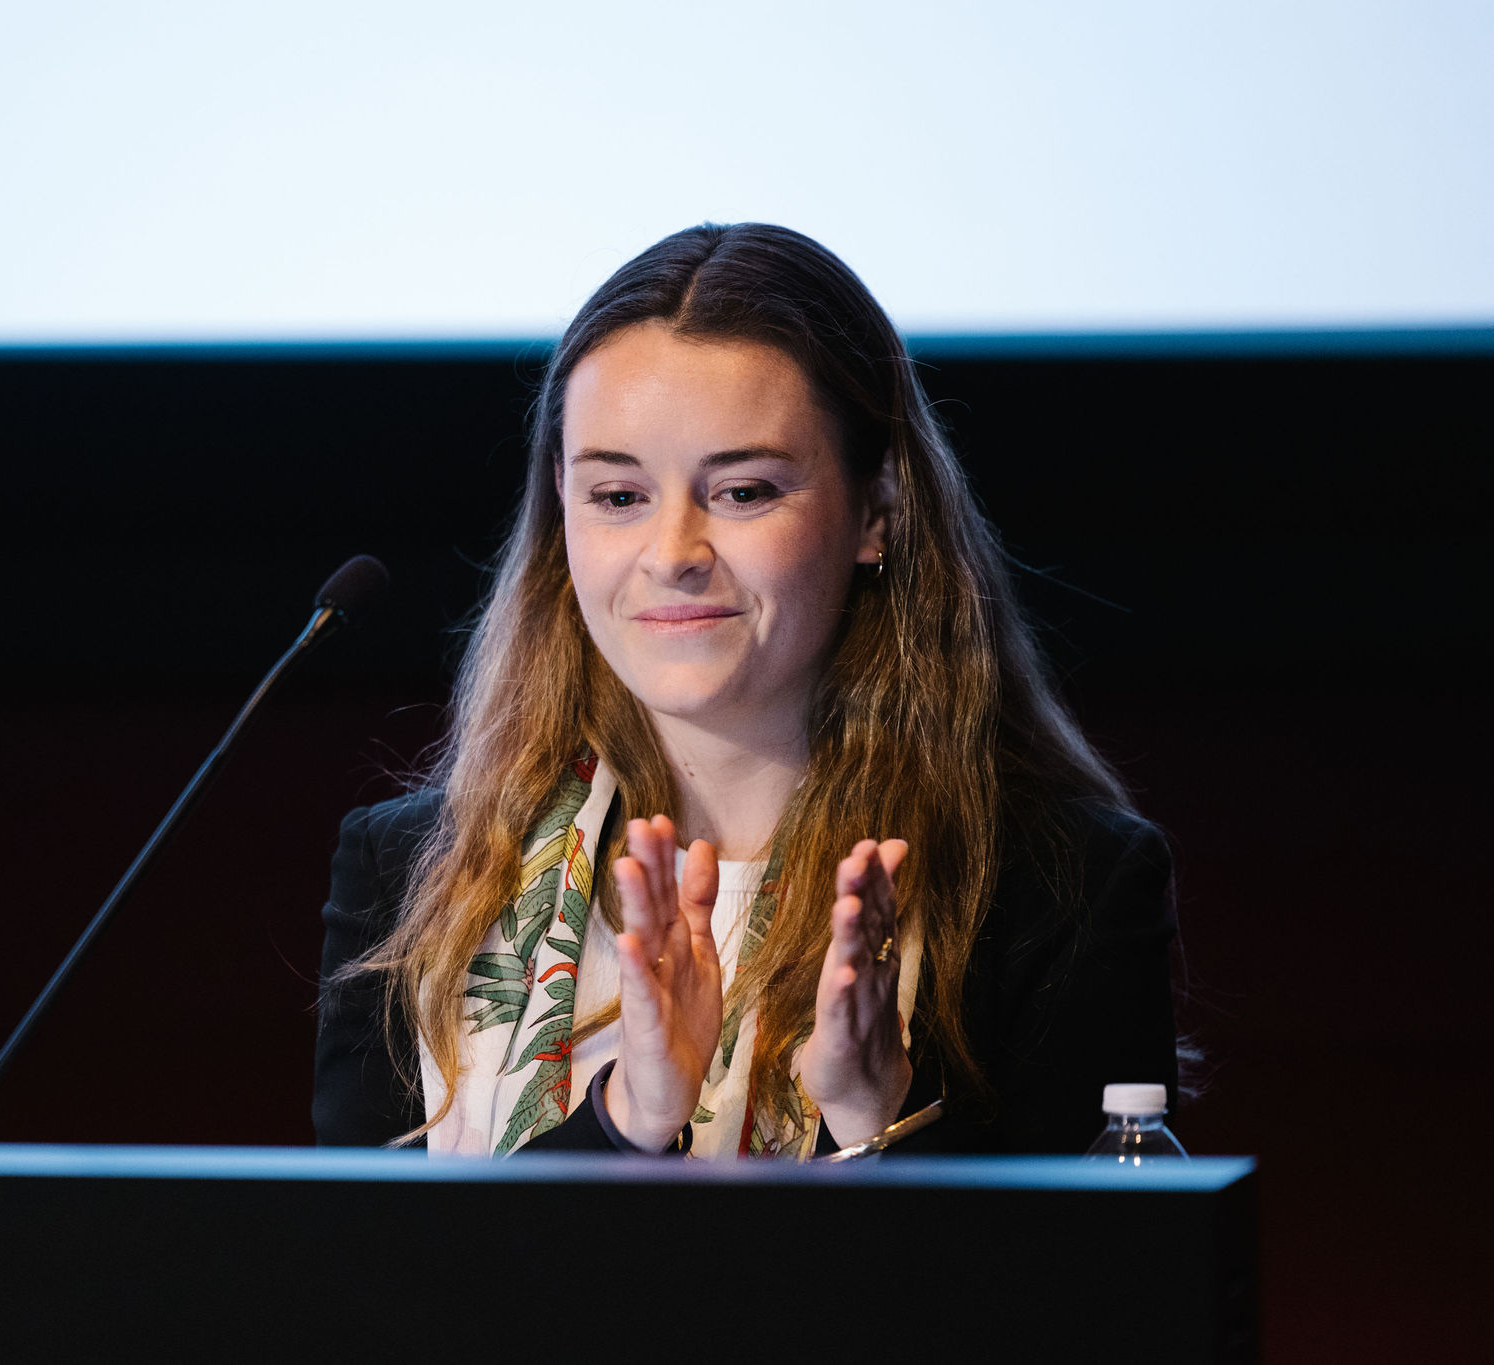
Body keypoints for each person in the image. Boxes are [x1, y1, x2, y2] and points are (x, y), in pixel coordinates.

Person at [313, 223, 1178, 1157]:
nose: (675, 555)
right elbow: (373, 1294)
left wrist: (877, 1113)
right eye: (617, 497)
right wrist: (629, 1118)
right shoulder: (412, 873)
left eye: (744, 491)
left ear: (876, 513)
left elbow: (1093, 1299)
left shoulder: (1062, 885)